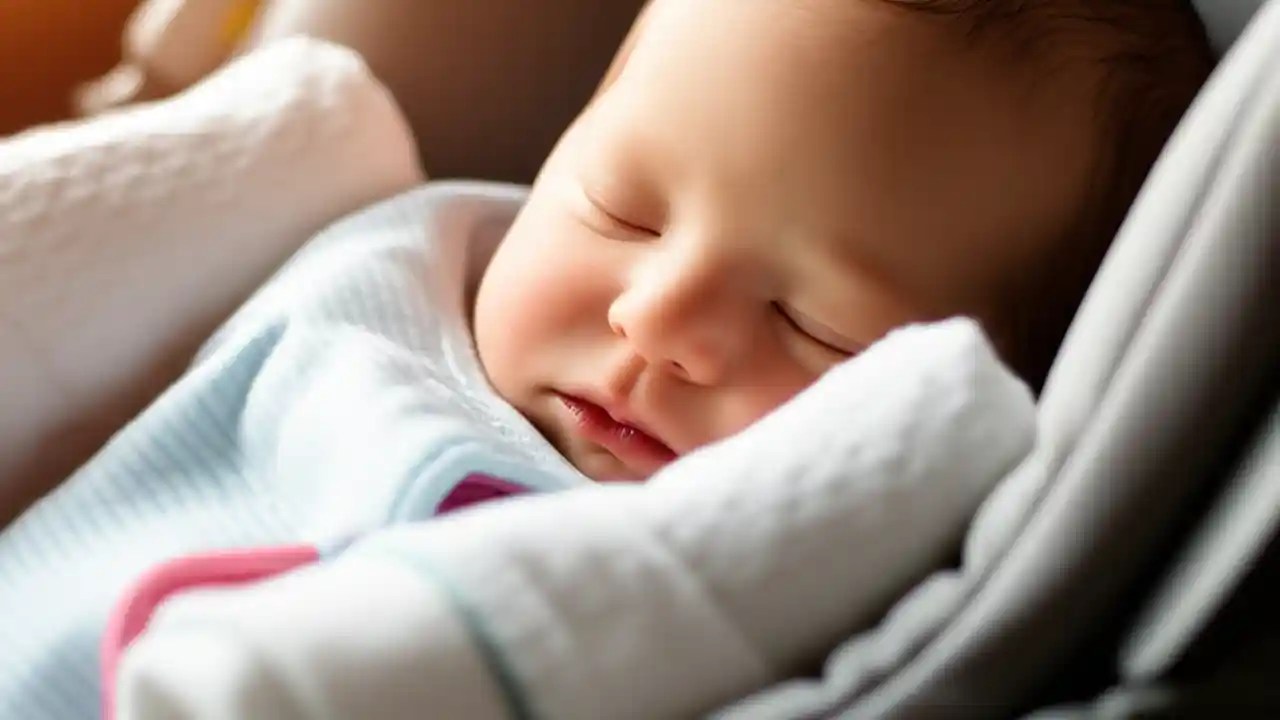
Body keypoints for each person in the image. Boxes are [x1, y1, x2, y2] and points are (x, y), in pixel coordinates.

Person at [0, 0, 1213, 715]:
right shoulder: (387, 246)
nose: (661, 319)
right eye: (621, 206)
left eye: (818, 327)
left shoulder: (707, 582)